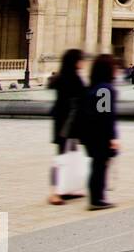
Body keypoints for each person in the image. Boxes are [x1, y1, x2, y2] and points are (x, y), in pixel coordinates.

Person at [76, 54, 120, 211]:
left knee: (97, 166)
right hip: (100, 135)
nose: (116, 70)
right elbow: (105, 115)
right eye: (114, 67)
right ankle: (97, 199)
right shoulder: (105, 90)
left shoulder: (93, 87)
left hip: (90, 134)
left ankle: (96, 196)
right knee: (99, 167)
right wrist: (112, 137)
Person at [47, 49, 87, 206]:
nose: (83, 62)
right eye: (81, 59)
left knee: (69, 157)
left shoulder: (69, 77)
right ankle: (54, 192)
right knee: (61, 159)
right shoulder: (68, 79)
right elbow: (75, 101)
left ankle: (67, 188)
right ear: (75, 61)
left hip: (69, 124)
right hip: (65, 125)